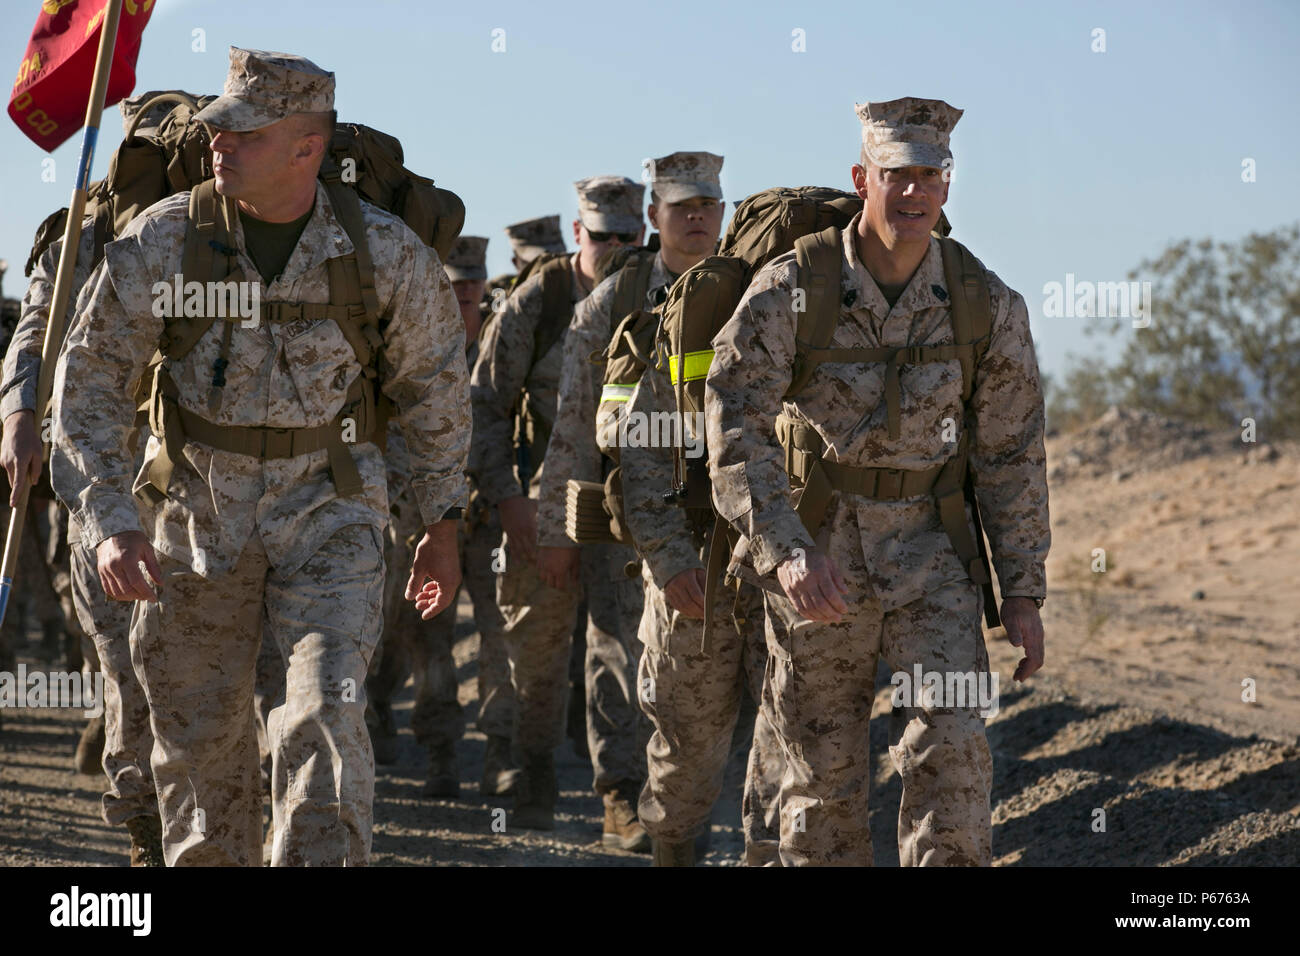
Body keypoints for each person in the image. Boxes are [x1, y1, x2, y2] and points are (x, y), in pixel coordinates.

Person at [50, 47, 469, 866]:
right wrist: (109, 522)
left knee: (322, 719)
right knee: (201, 760)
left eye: (246, 132)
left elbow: (436, 394)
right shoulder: (165, 243)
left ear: (307, 149)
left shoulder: (384, 254)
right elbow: (89, 382)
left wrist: (439, 525)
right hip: (194, 524)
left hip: (333, 515)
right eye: (217, 128)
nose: (220, 144)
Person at [703, 97, 1050, 866]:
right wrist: (785, 550)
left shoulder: (984, 301)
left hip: (936, 561)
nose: (915, 191)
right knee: (821, 786)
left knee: (953, 758)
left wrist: (1022, 591)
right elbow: (731, 418)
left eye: (931, 174)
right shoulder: (793, 286)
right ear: (863, 178)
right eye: (898, 174)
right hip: (819, 559)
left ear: (947, 187)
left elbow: (1012, 452)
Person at [608, 152, 784, 866]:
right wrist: (672, 561)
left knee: (790, 751)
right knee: (685, 759)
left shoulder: (832, 332)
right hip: (696, 576)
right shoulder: (692, 322)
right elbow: (642, 455)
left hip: (782, 577)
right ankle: (673, 851)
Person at [470, 175, 649, 845]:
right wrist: (508, 500)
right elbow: (483, 405)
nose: (615, 248)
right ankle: (535, 770)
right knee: (537, 655)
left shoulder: (654, 296)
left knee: (619, 647)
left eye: (627, 236)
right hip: (543, 501)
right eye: (601, 236)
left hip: (624, 504)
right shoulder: (537, 302)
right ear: (579, 234)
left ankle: (618, 794)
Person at [1, 193, 165, 864]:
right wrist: (18, 411)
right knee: (125, 661)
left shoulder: (225, 222)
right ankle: (147, 836)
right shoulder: (81, 235)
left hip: (202, 485)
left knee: (187, 665)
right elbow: (36, 328)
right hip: (97, 480)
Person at [367, 235, 517, 798]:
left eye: (473, 291)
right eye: (454, 290)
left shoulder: (501, 351)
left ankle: (471, 755)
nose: (464, 300)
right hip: (416, 520)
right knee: (413, 637)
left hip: (486, 522)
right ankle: (415, 737)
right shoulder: (412, 350)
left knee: (480, 640)